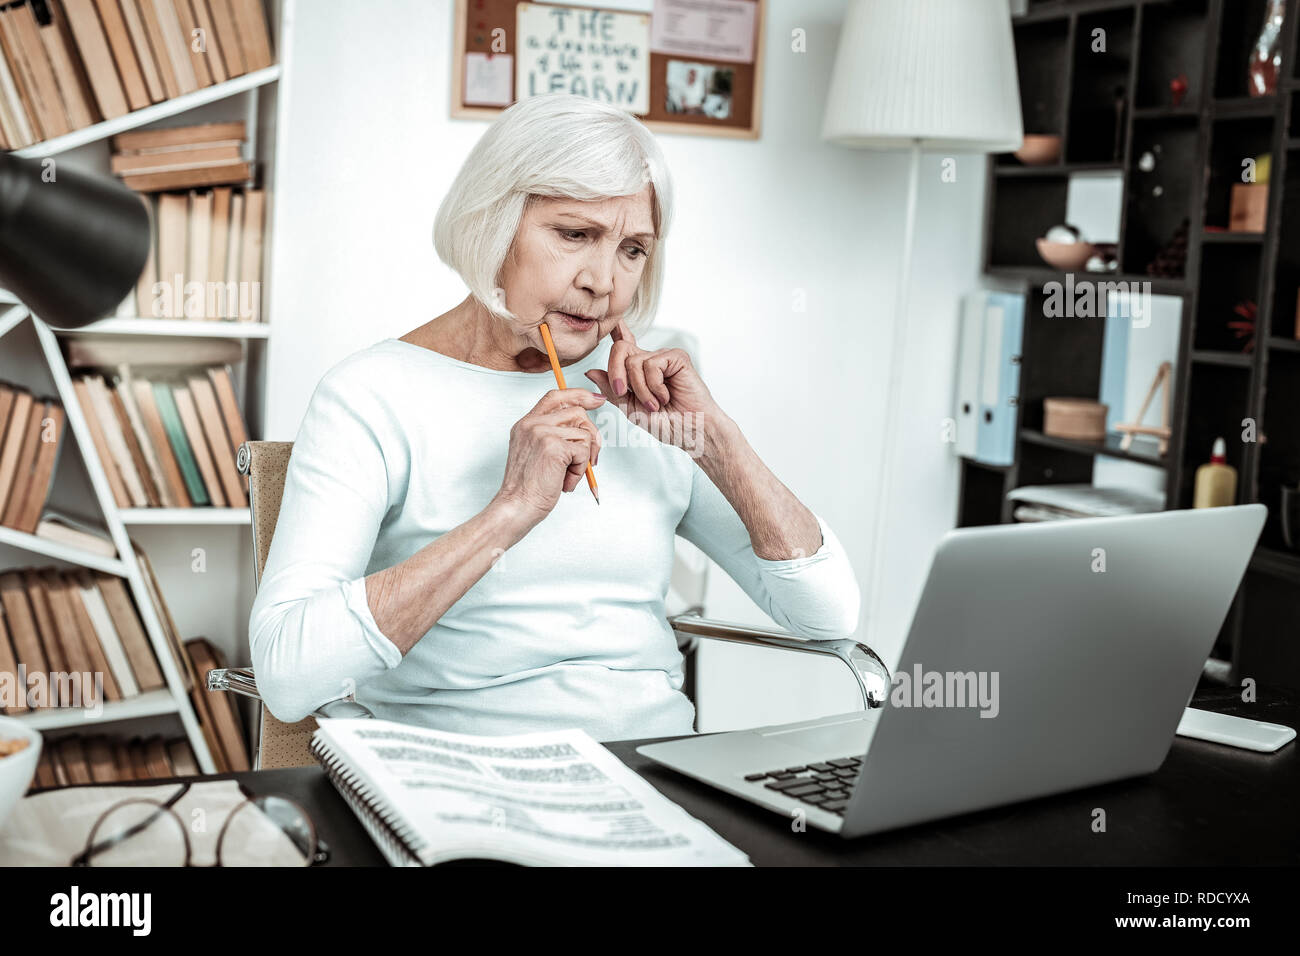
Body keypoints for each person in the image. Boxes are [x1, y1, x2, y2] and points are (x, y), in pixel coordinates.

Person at [248, 93, 860, 741]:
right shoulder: (370, 394)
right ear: (494, 224)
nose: (604, 281)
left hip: (650, 772)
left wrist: (716, 441)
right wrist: (509, 510)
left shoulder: (642, 398)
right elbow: (288, 678)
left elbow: (826, 616)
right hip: (457, 776)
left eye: (633, 250)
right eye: (575, 235)